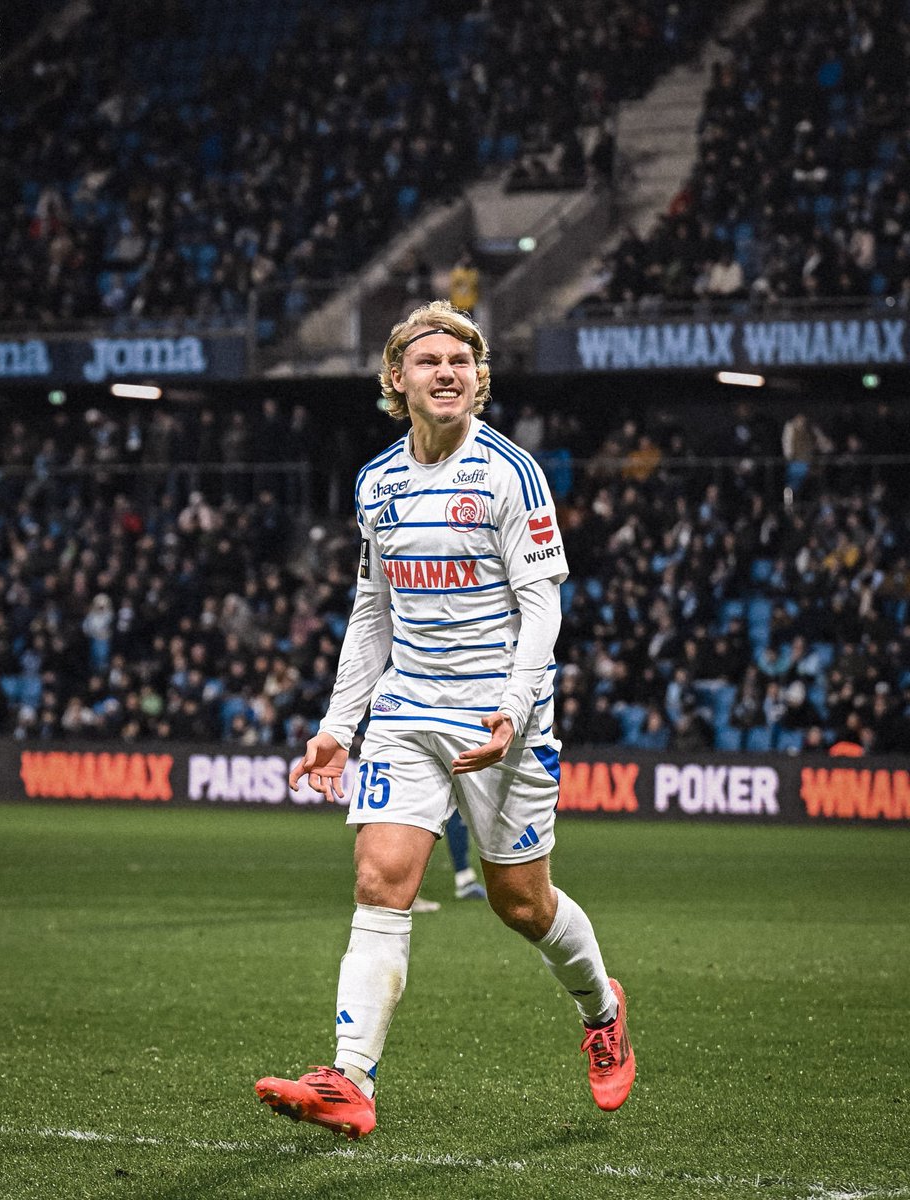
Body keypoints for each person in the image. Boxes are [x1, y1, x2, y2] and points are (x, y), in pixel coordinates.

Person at [255, 300, 635, 1139]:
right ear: (397, 378)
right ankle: (350, 1078)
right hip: (407, 709)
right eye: (429, 361)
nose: (448, 372)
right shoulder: (377, 482)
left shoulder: (510, 474)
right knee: (380, 879)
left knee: (521, 904)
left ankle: (602, 1009)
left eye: (462, 361)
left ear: (478, 378)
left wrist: (512, 709)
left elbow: (542, 608)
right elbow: (372, 612)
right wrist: (339, 726)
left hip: (500, 716)